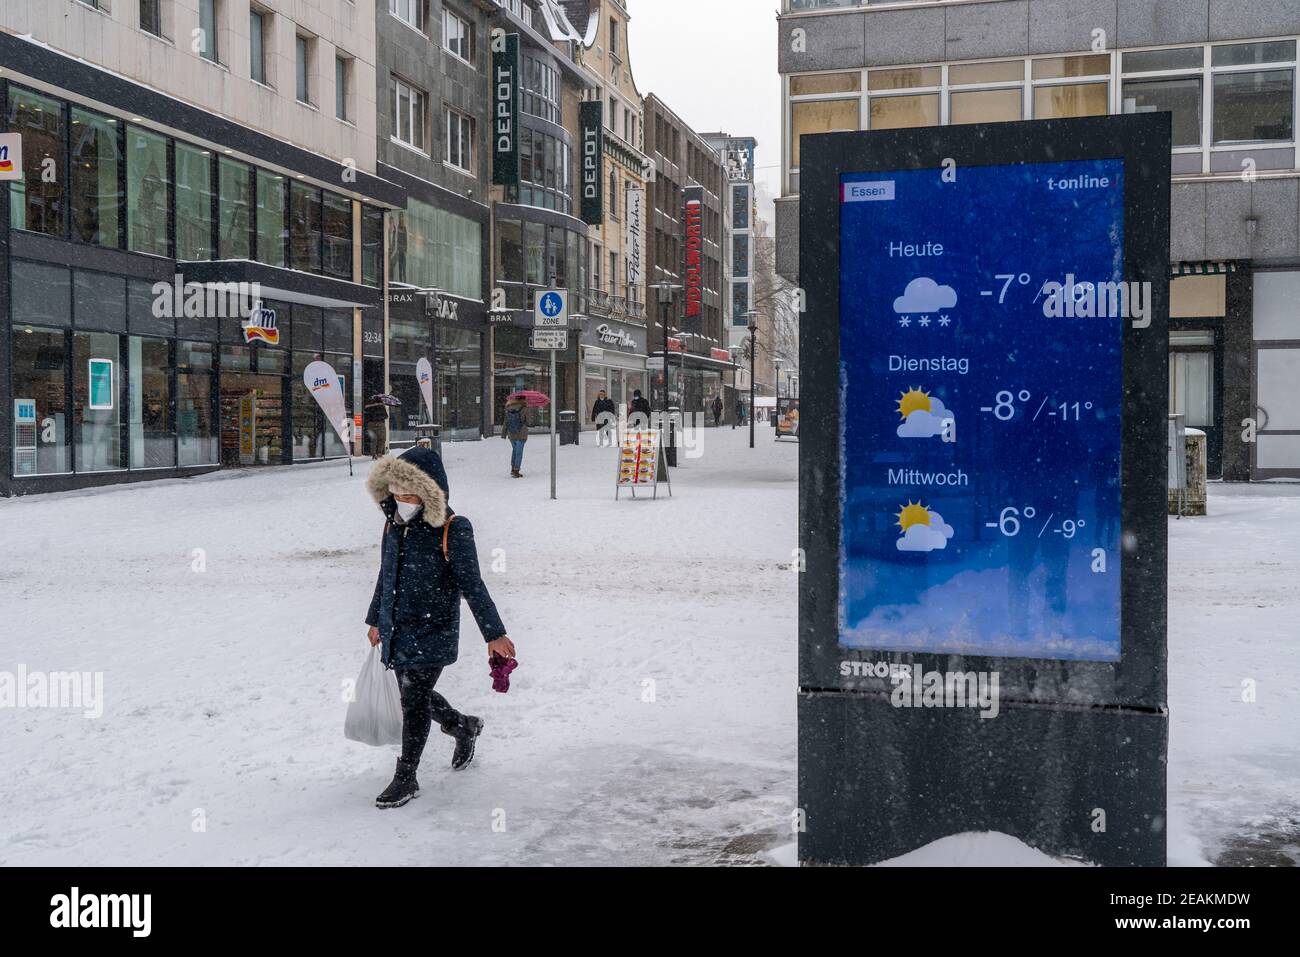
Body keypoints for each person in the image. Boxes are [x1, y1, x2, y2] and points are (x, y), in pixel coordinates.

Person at [364, 446, 517, 809]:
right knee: (410, 694)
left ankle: (407, 776)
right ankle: (462, 725)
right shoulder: (393, 524)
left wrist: (494, 633)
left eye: (409, 492)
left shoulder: (453, 529)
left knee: (413, 698)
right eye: (395, 491)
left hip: (434, 629)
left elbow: (472, 584)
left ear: (431, 490)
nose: (401, 498)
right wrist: (375, 619)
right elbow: (385, 575)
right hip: (397, 627)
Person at [502, 395, 530, 477]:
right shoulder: (525, 408)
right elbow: (528, 422)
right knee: (519, 452)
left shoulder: (509, 408)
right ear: (524, 399)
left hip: (511, 433)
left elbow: (506, 422)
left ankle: (512, 468)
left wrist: (504, 434)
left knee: (515, 450)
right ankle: (516, 470)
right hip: (521, 433)